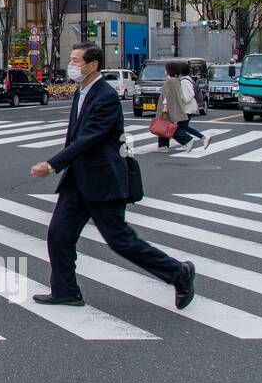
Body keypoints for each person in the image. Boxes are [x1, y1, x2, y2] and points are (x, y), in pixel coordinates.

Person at [30, 43, 196, 309]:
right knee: (59, 234)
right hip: (78, 179)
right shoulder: (82, 92)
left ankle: (179, 273)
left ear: (92, 64)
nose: (71, 66)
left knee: (120, 241)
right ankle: (65, 291)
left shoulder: (104, 96)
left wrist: (52, 165)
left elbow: (89, 138)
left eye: (75, 61)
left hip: (102, 179)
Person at [155, 60, 208, 153]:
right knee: (169, 126)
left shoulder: (174, 81)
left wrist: (165, 106)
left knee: (169, 127)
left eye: (166, 69)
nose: (165, 71)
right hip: (173, 107)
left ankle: (186, 140)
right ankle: (164, 145)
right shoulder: (175, 80)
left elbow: (169, 95)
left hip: (172, 108)